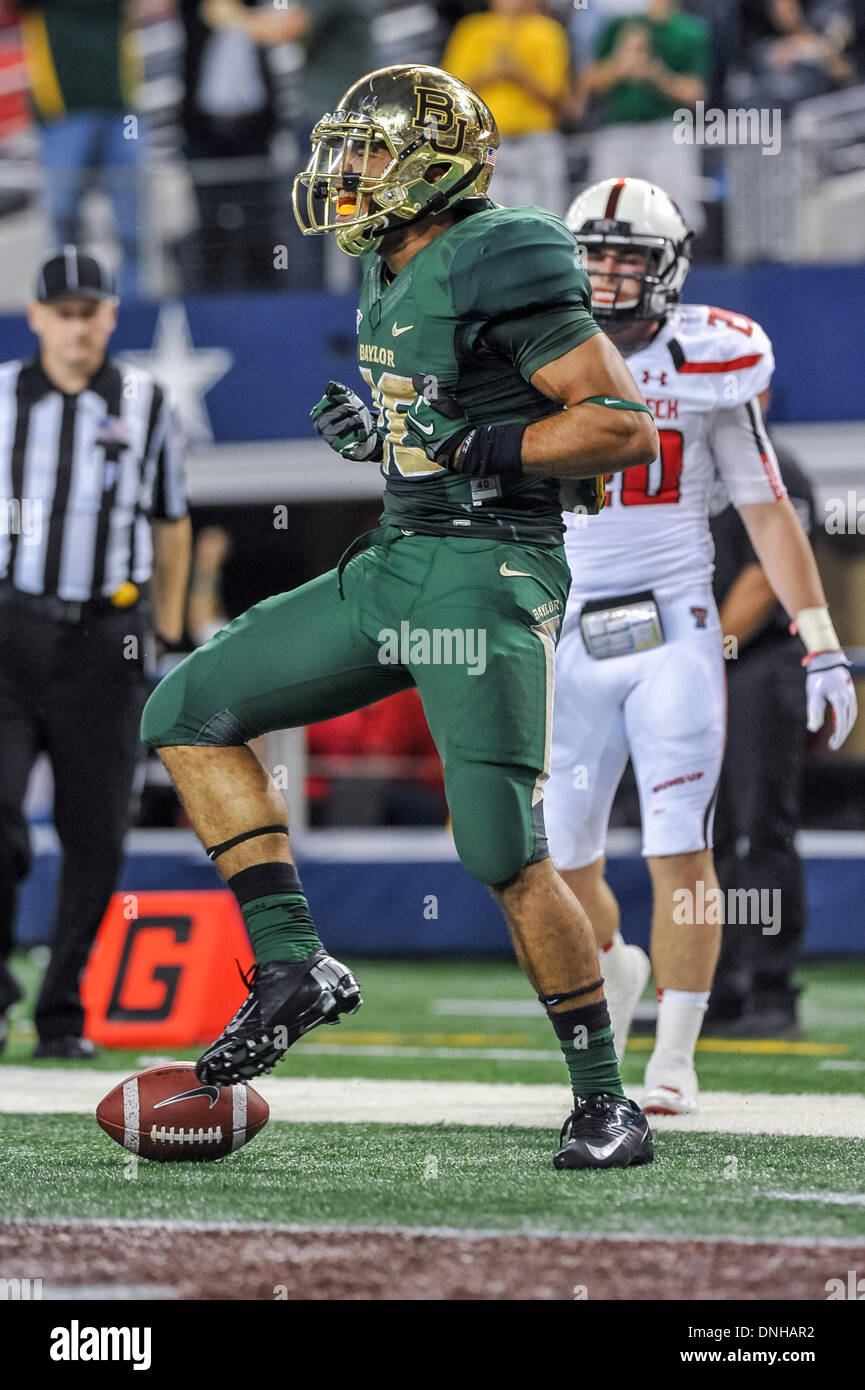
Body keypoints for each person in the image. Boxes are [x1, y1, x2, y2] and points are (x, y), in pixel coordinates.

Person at [142, 64, 661, 1171]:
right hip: (394, 560)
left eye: (367, 151)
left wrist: (486, 447)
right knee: (187, 708)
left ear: (432, 160)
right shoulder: (388, 261)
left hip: (489, 572)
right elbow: (443, 408)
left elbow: (619, 426)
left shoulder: (500, 245)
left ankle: (606, 1101)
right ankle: (295, 965)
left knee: (497, 846)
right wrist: (384, 435)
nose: (347, 172)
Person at [543, 176, 857, 1115]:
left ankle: (675, 1055)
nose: (604, 273)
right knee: (557, 865)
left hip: (676, 622)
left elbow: (767, 514)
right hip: (567, 629)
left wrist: (822, 641)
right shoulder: (531, 353)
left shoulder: (709, 364)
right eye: (590, 253)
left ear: (666, 268)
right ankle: (614, 965)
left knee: (681, 847)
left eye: (625, 255)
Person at [0, 246, 190, 1058]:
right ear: (37, 316)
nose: (79, 328)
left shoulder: (147, 402)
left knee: (98, 830)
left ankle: (60, 1011)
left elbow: (171, 517)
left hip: (107, 639)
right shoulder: (2, 398)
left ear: (112, 316)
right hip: (8, 630)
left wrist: (169, 631)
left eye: (92, 313)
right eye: (64, 313)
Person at [707, 445, 817, 1037]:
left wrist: (704, 651)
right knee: (706, 835)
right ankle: (715, 988)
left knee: (760, 829)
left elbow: (766, 576)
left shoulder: (775, 466)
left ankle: (771, 991)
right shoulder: (694, 457)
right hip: (699, 666)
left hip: (758, 665)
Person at [17, 0, 144, 297]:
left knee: (133, 228)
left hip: (122, 112)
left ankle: (137, 312)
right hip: (63, 115)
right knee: (63, 220)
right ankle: (61, 307)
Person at [575, 0, 710, 233]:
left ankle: (679, 266)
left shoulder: (689, 31)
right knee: (606, 215)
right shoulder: (617, 26)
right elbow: (589, 84)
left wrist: (654, 74)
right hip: (618, 132)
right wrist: (620, 64)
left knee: (676, 217)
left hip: (668, 133)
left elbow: (696, 94)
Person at [441, 0, 571, 216]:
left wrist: (518, 74)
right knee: (487, 219)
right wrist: (490, 72)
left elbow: (558, 100)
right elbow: (451, 94)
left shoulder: (547, 30)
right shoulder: (472, 29)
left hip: (537, 142)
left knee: (545, 218)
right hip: (487, 145)